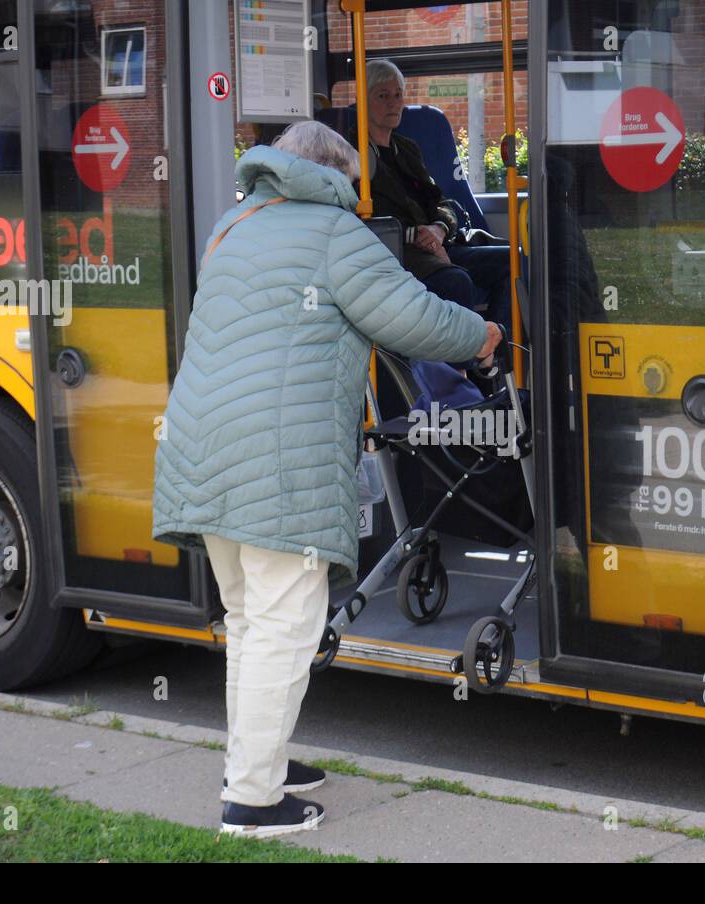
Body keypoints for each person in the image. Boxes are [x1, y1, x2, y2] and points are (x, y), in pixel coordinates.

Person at [151, 121, 501, 839]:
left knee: (251, 620)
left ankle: (255, 764)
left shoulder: (234, 225)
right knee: (285, 624)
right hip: (276, 458)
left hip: (201, 447)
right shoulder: (335, 233)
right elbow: (412, 317)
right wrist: (481, 334)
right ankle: (252, 801)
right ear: (332, 174)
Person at [355, 59, 513, 337]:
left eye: (398, 95)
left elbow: (441, 202)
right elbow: (366, 222)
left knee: (514, 260)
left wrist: (439, 229)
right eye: (382, 96)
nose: (394, 103)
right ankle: (458, 371)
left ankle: (498, 353)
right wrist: (420, 236)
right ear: (363, 101)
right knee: (456, 282)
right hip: (398, 257)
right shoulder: (354, 157)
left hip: (436, 244)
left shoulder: (406, 149)